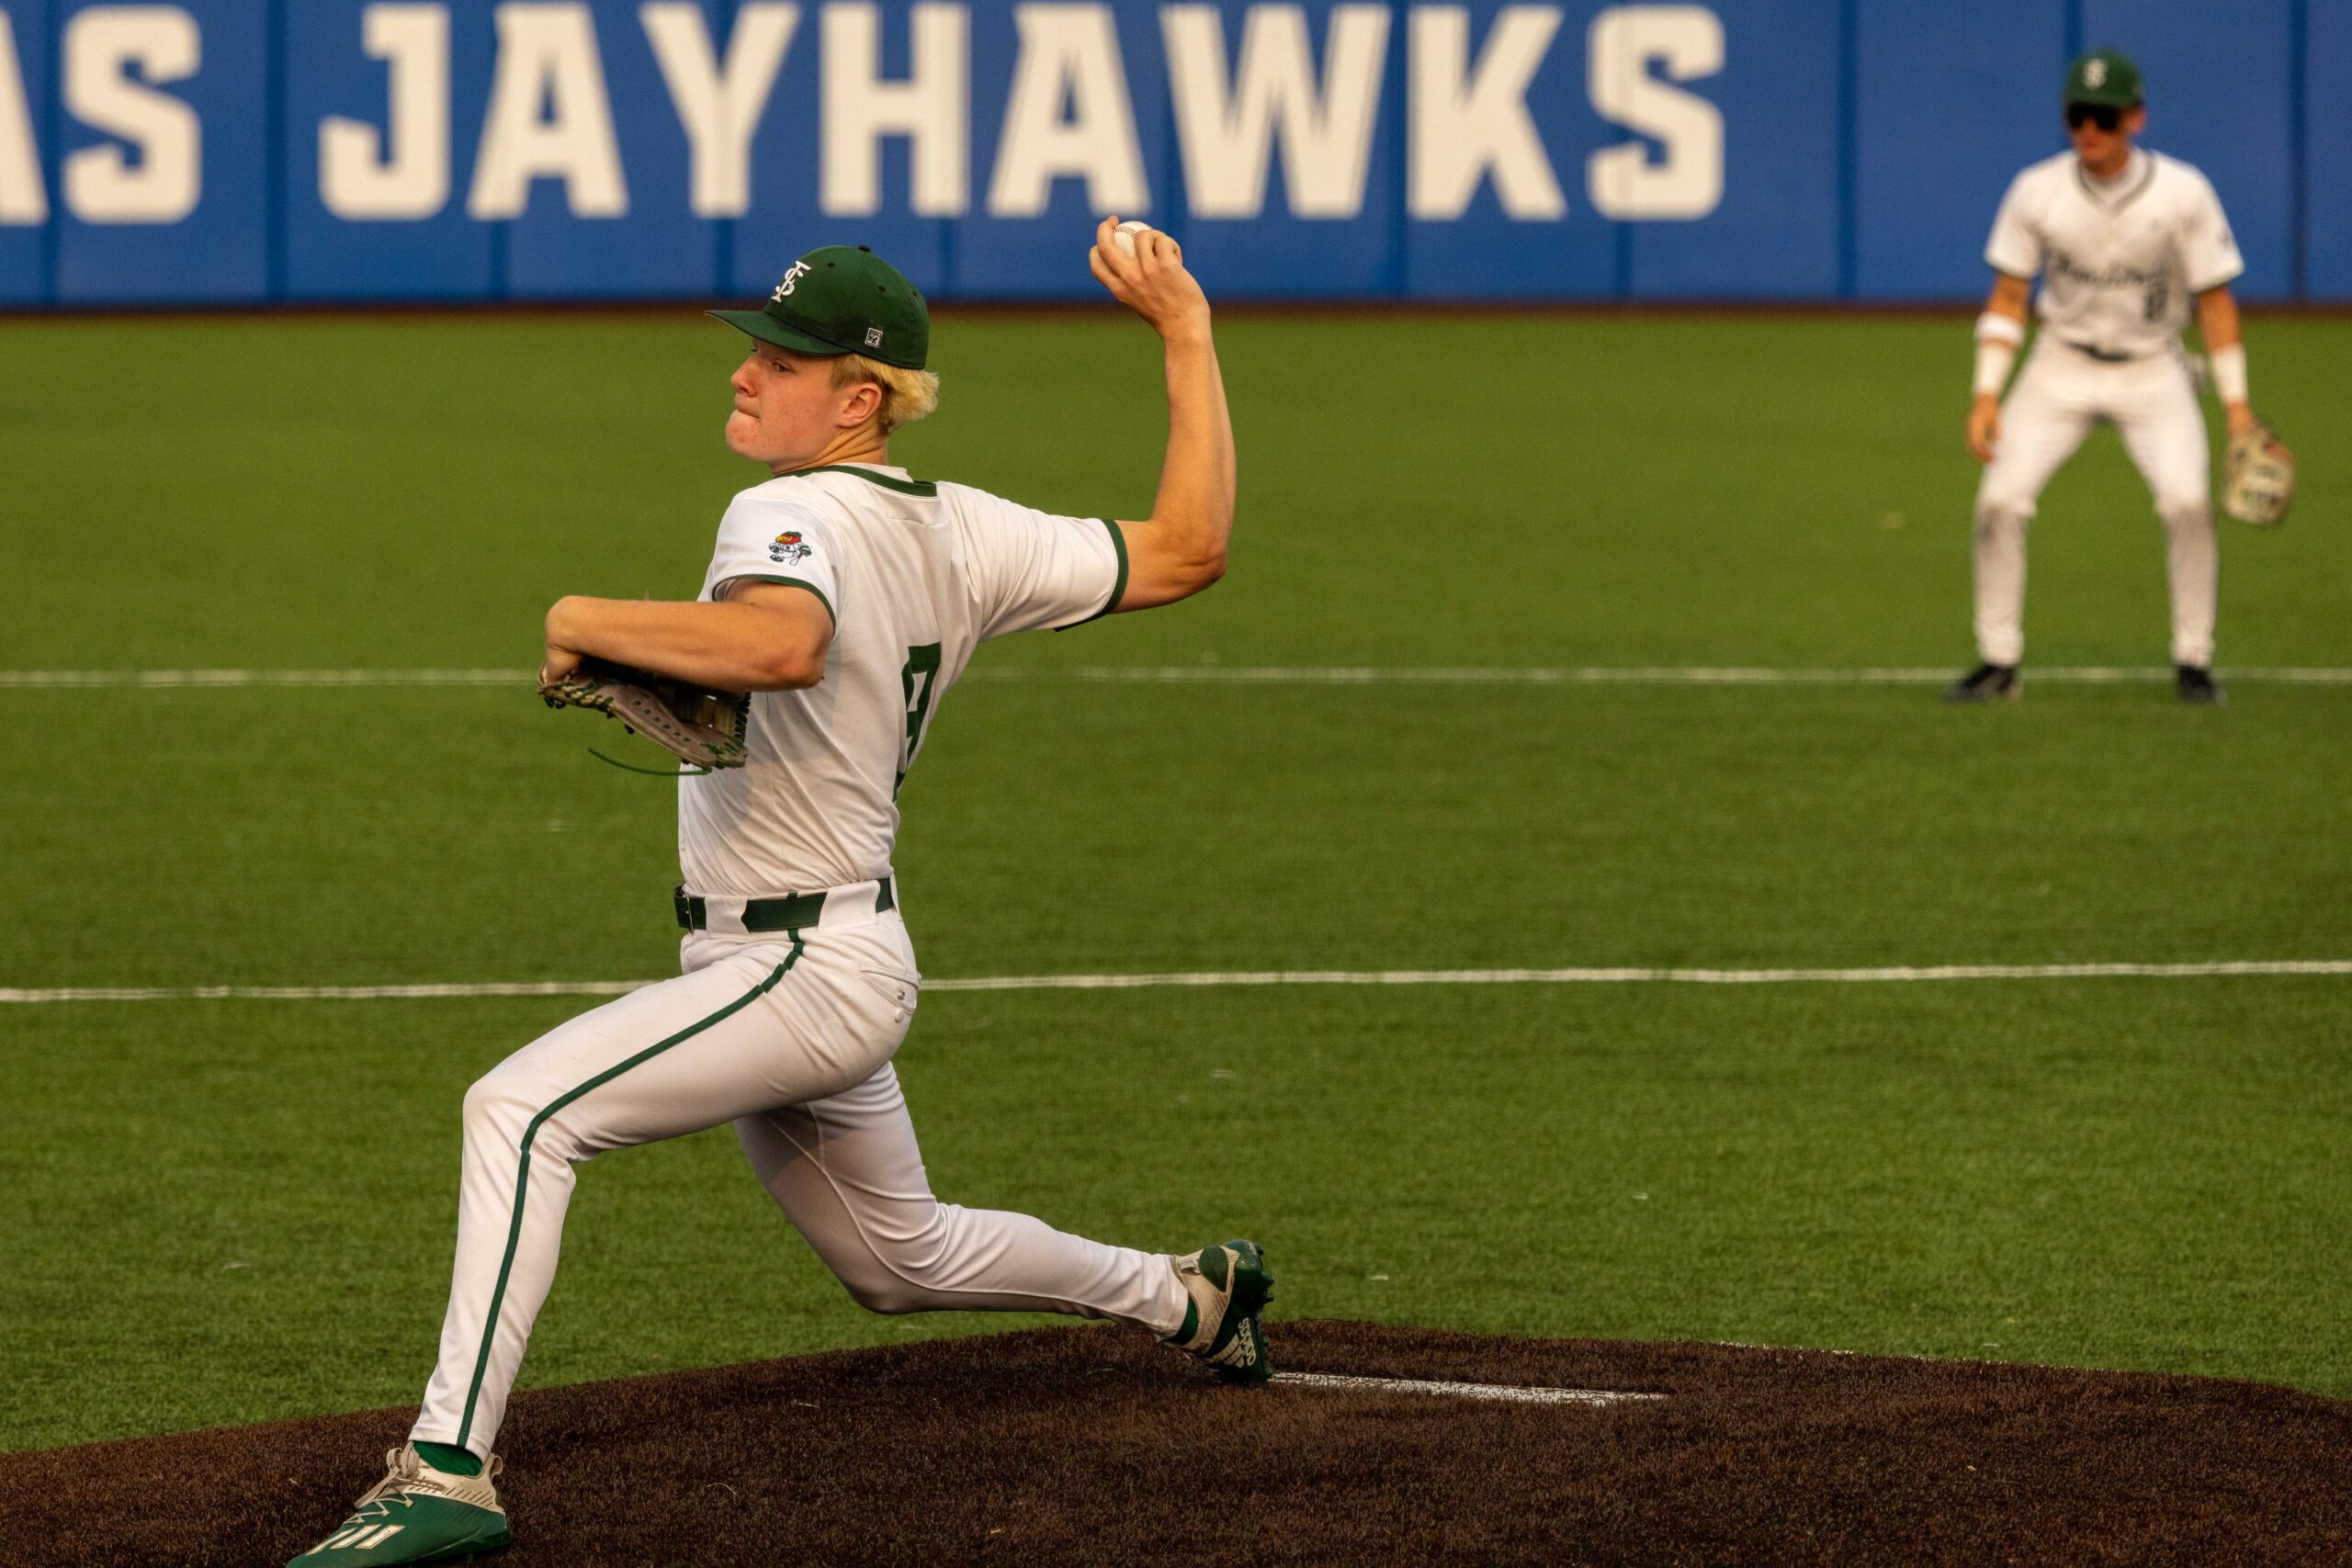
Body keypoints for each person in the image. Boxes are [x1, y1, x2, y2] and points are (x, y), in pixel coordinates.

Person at [289, 221, 1265, 1567]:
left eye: (783, 357)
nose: (748, 373)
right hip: (837, 953)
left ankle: (447, 1464)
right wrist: (1187, 333)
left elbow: (783, 640)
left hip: (797, 969)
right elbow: (1187, 549)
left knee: (518, 1113)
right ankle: (1187, 1294)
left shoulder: (787, 509)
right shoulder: (968, 527)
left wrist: (586, 611)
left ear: (858, 397)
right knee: (898, 1258)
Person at [1949, 49, 2261, 705]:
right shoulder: (2037, 190)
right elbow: (2009, 296)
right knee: (1999, 502)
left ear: (2136, 119)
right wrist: (1986, 392)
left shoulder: (2183, 192)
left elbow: (2215, 302)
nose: (2090, 129)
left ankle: (2194, 660)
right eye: (2077, 115)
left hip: (2153, 367)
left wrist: (2237, 409)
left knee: (2188, 503)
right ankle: (1998, 661)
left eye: (2105, 116)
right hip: (2059, 363)